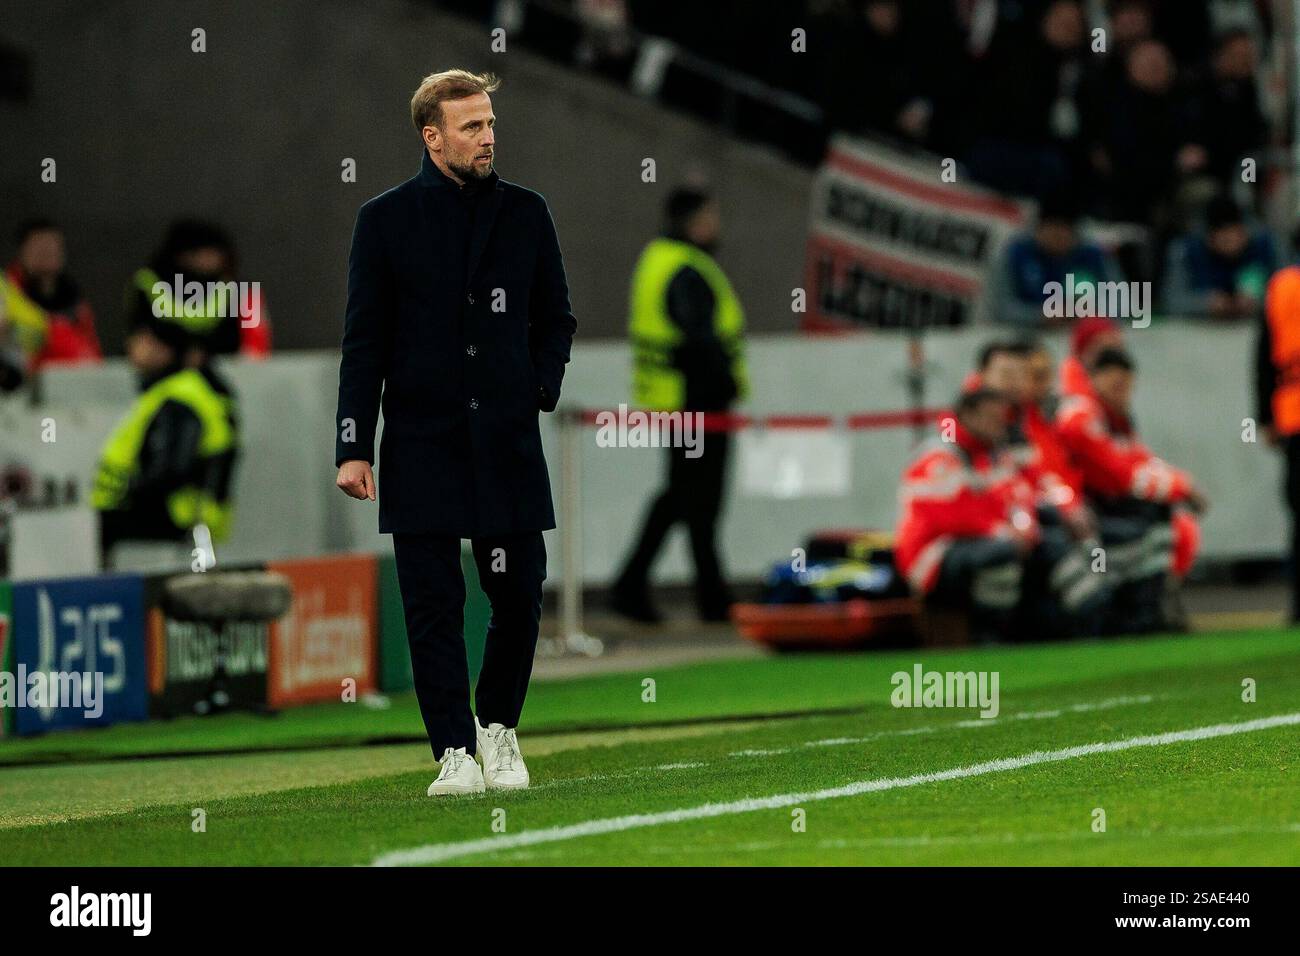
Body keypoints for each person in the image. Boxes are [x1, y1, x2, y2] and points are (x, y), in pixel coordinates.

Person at [334, 69, 575, 797]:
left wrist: (537, 388)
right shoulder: (384, 221)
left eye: (491, 123)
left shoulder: (527, 213)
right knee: (432, 602)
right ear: (431, 136)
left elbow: (554, 317)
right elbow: (364, 342)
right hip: (420, 442)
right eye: (471, 126)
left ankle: (497, 727)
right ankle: (453, 751)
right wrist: (352, 443)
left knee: (519, 593)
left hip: (504, 440)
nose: (488, 136)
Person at [609, 185, 749, 624]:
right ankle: (702, 597)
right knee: (697, 501)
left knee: (683, 499)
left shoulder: (659, 261)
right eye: (711, 217)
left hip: (678, 401)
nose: (716, 226)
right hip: (698, 403)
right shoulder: (687, 269)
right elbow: (700, 340)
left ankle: (658, 589)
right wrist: (725, 382)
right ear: (695, 222)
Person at [1056, 348, 1206, 633]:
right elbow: (1119, 475)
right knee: (1158, 520)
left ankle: (1151, 606)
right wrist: (1181, 487)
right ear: (1093, 379)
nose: (1121, 392)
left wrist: (1179, 483)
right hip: (1083, 506)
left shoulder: (1113, 418)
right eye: (1115, 385)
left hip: (1096, 505)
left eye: (1126, 386)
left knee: (1174, 524)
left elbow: (1139, 461)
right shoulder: (1080, 417)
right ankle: (1141, 614)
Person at [92, 285, 238, 564]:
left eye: (142, 338)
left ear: (163, 347)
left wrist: (132, 495)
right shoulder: (172, 391)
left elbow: (172, 468)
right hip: (170, 522)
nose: (132, 346)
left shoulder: (180, 395)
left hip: (170, 523)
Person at [894, 388, 1038, 642]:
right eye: (991, 418)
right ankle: (987, 640)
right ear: (968, 416)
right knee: (1002, 552)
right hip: (931, 554)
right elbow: (952, 517)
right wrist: (1004, 532)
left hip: (974, 544)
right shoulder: (939, 456)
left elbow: (1018, 496)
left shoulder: (988, 456)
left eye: (1001, 419)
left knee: (1044, 543)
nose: (999, 426)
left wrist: (1025, 527)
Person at [992, 193, 1122, 328]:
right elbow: (1001, 309)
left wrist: (1087, 312)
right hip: (1029, 334)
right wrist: (1039, 316)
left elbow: (1120, 303)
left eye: (1065, 232)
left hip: (1083, 332)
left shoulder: (1093, 255)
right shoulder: (1016, 254)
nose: (1058, 239)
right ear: (1039, 228)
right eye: (1053, 231)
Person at [1257, 242, 1300, 621]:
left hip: (1292, 411)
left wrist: (1264, 416)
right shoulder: (1283, 286)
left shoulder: (1281, 286)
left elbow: (1263, 354)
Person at [5, 219, 101, 368]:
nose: (47, 255)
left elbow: (91, 348)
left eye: (53, 249)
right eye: (40, 249)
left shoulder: (75, 300)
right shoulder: (7, 295)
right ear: (22, 252)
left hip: (75, 381)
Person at [1163, 195, 1276, 319]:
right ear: (1209, 238)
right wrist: (1205, 303)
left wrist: (1257, 301)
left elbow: (1289, 294)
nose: (1233, 244)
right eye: (1225, 240)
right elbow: (1171, 301)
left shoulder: (1265, 246)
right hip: (1200, 331)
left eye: (1238, 236)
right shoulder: (1185, 251)